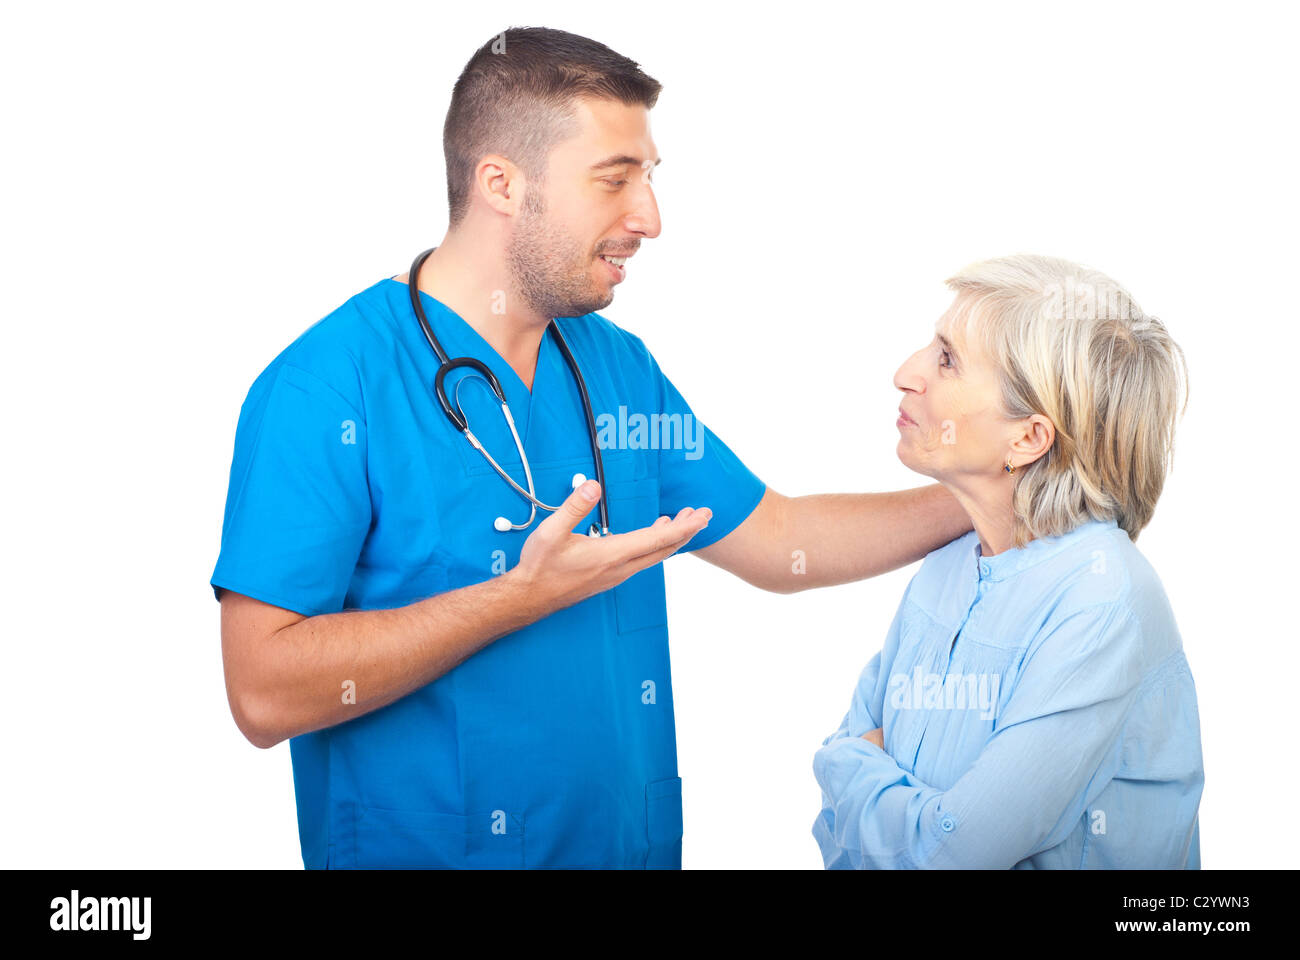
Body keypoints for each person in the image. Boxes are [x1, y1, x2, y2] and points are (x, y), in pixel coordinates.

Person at [212, 27, 972, 869]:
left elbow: (780, 541)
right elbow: (261, 692)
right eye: (616, 179)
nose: (649, 218)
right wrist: (512, 599)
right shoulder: (328, 386)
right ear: (500, 182)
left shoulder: (613, 367)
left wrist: (986, 492)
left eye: (648, 178)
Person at [812, 254, 1203, 869]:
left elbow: (952, 851)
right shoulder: (947, 567)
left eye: (947, 359)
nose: (905, 374)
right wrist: (874, 785)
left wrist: (857, 771)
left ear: (1027, 438)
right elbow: (840, 825)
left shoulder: (1103, 602)